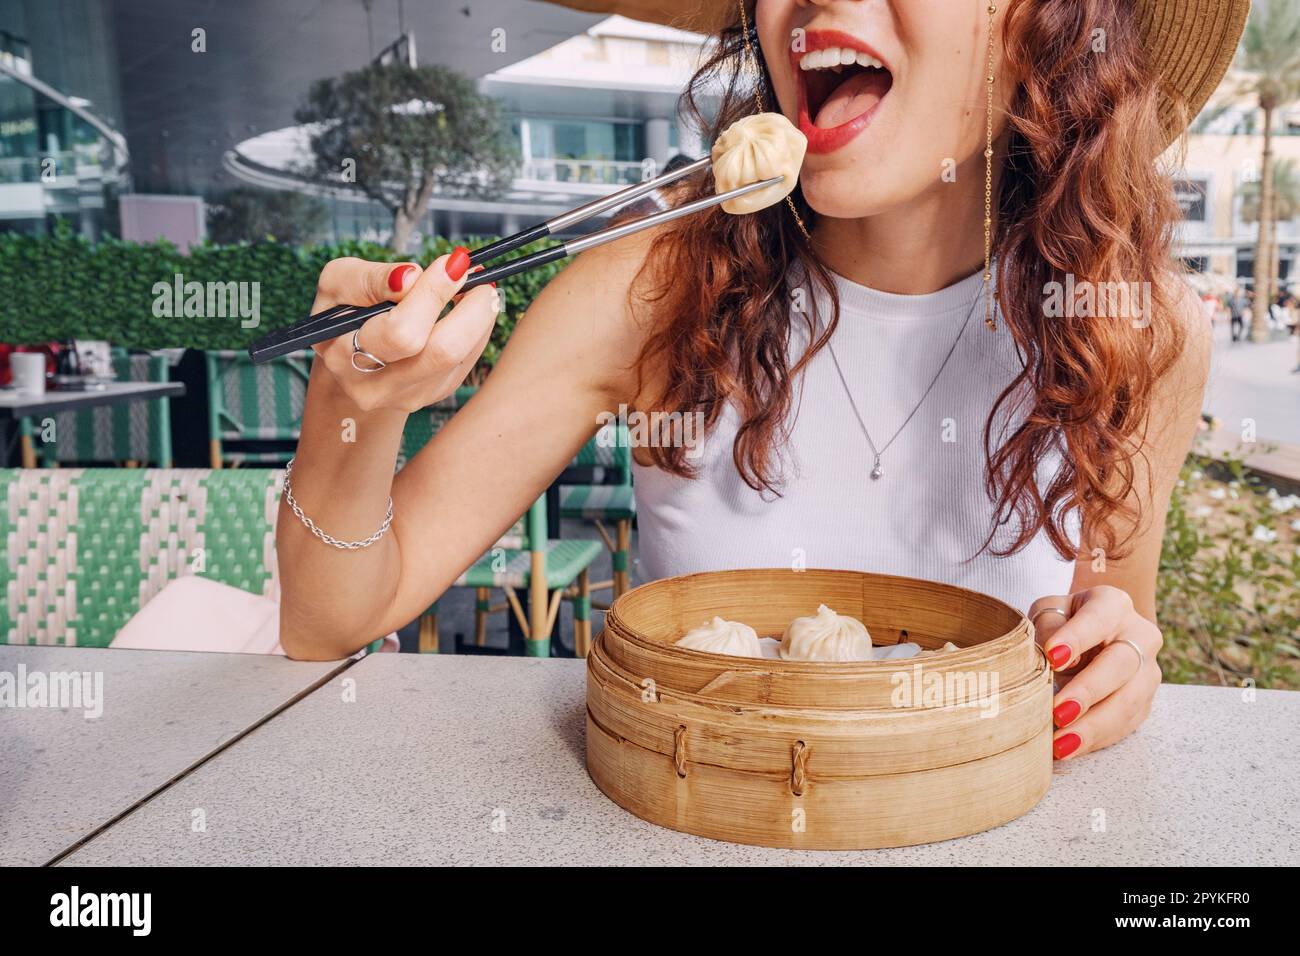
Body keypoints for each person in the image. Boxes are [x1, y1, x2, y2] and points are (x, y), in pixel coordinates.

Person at [273, 0, 1245, 764]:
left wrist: (1114, 664)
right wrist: (350, 412)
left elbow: (1117, 619)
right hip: (684, 813)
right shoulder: (646, 287)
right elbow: (333, 617)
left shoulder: (1131, 320)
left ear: (1049, 19)